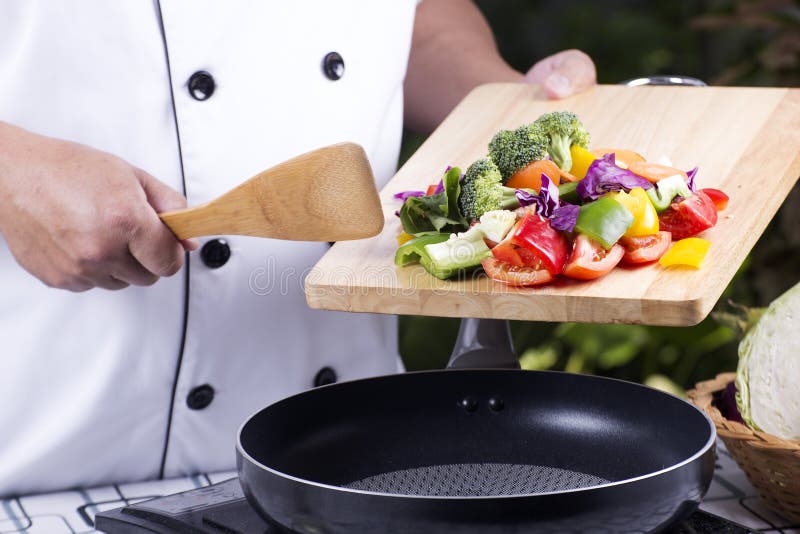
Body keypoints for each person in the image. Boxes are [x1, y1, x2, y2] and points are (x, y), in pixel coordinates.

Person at [0, 0, 595, 496]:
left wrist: (505, 105)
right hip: (39, 466)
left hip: (354, 454)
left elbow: (415, 21)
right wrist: (12, 172)